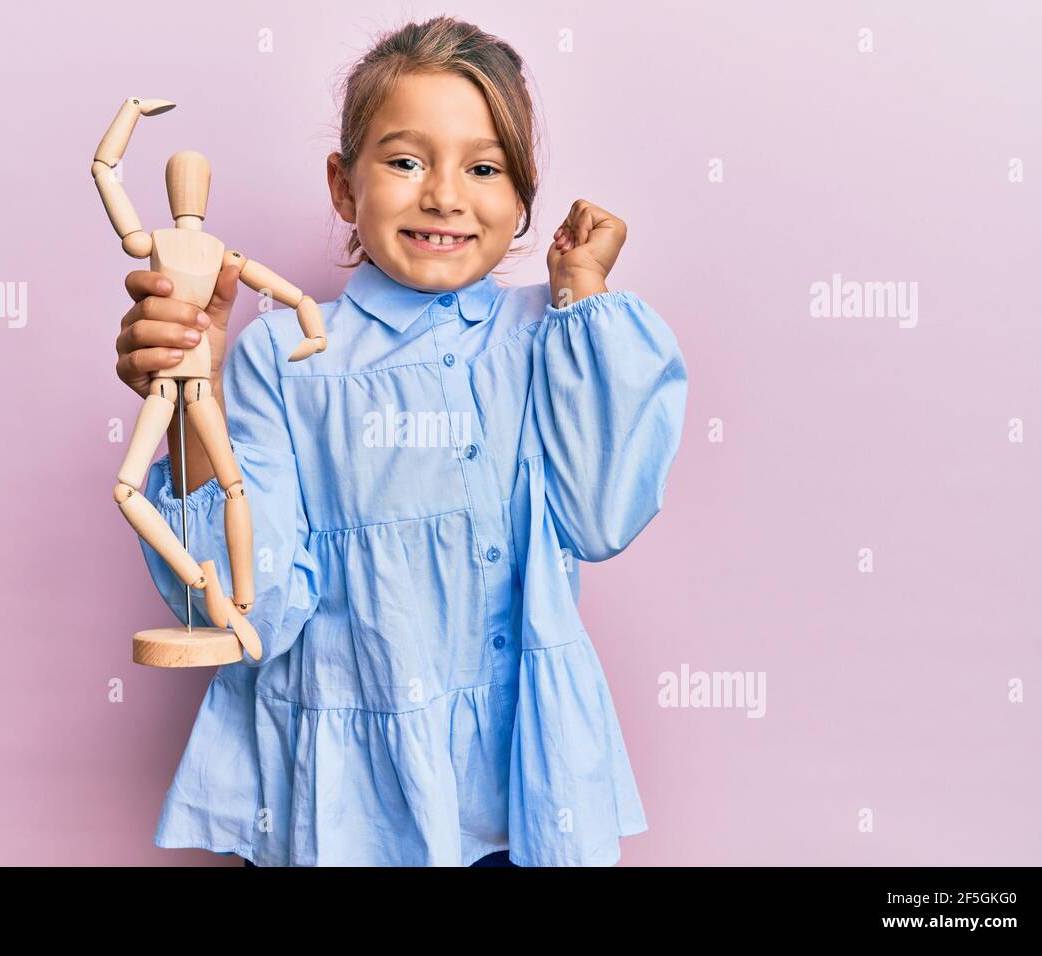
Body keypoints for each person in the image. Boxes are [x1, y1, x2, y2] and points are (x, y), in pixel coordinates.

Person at [112, 15, 688, 867]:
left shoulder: (549, 336)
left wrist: (584, 297)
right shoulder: (284, 355)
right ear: (345, 187)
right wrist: (201, 392)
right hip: (343, 804)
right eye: (406, 160)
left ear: (523, 194)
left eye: (485, 167)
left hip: (518, 794)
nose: (446, 196)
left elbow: (602, 515)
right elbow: (247, 607)